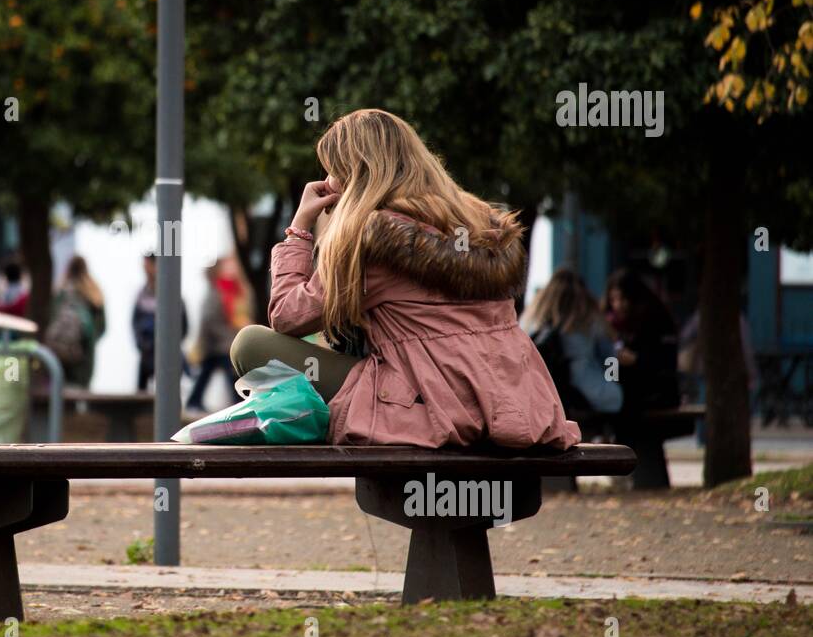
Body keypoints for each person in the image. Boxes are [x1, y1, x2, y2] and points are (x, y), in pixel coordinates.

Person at [229, 108, 579, 450]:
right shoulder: (481, 226)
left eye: (333, 172)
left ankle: (336, 419)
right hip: (514, 405)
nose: (329, 183)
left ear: (356, 174)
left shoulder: (372, 239)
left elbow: (288, 315)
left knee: (250, 344)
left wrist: (299, 230)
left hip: (427, 410)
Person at [602, 268, 683, 488]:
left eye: (622, 299)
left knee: (624, 404)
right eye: (613, 299)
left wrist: (637, 359)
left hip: (656, 391)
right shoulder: (611, 324)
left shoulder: (654, 319)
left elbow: (665, 362)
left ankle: (622, 462)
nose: (617, 305)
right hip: (631, 391)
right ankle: (620, 461)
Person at [520, 269, 623, 417]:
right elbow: (609, 356)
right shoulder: (589, 318)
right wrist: (612, 382)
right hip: (592, 395)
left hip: (537, 396)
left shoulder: (531, 320)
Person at [44, 256, 107, 388]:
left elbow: (49, 320)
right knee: (81, 394)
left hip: (57, 355)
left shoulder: (59, 293)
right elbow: (102, 327)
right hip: (84, 357)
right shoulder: (94, 295)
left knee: (59, 394)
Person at [186, 261, 239, 412]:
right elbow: (208, 320)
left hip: (215, 344)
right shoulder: (214, 293)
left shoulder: (215, 292)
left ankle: (194, 401)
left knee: (207, 373)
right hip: (219, 344)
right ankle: (237, 404)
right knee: (230, 375)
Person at [132, 253, 189, 391]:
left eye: (147, 265)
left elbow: (184, 324)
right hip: (147, 353)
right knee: (142, 393)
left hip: (168, 354)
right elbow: (135, 322)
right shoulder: (142, 294)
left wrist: (171, 343)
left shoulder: (172, 294)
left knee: (169, 392)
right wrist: (142, 344)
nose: (145, 270)